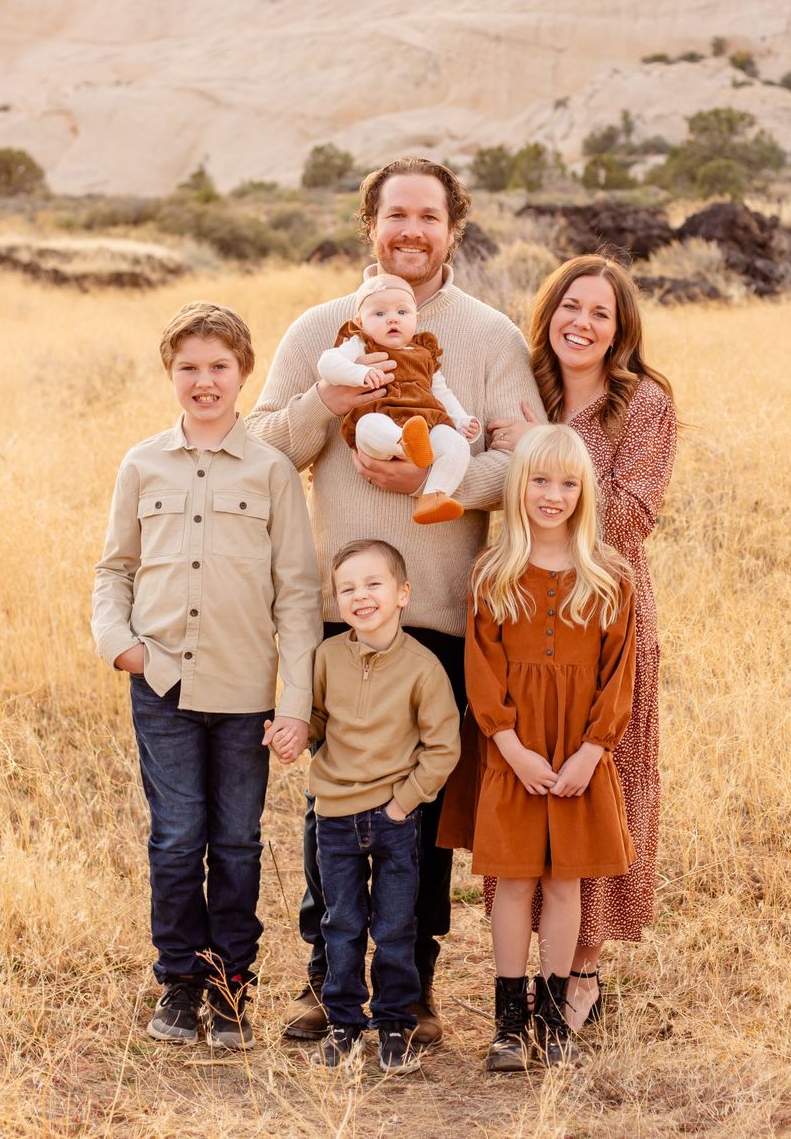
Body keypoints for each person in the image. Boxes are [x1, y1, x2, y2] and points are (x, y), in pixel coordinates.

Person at [246, 158, 543, 1045]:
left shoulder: (488, 337)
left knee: (423, 807)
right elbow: (263, 447)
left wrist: (436, 478)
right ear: (369, 225)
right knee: (332, 796)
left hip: (443, 611)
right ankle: (322, 981)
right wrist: (321, 402)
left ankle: (409, 993)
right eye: (394, 216)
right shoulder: (320, 330)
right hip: (341, 609)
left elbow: (527, 463)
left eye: (428, 217)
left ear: (455, 228)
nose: (410, 231)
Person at [91, 301, 321, 1050]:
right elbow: (114, 567)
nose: (204, 380)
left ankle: (231, 988)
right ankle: (180, 984)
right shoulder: (142, 463)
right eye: (188, 367)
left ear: (243, 373)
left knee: (236, 841)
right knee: (176, 836)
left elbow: (297, 595)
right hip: (161, 685)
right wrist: (118, 643)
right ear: (171, 374)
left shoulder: (272, 470)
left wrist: (294, 704)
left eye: (218, 366)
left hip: (246, 691)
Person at [483, 254, 677, 1029]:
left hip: (607, 613)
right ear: (549, 314)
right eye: (571, 307)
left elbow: (629, 519)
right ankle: (520, 979)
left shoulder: (644, 405)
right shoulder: (523, 386)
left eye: (600, 313)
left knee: (605, 783)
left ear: (620, 328)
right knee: (524, 784)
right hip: (523, 615)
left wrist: (551, 450)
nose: (582, 324)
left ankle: (583, 973)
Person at [459, 424, 635, 1070]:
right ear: (518, 486)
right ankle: (508, 1022)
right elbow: (483, 670)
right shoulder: (494, 574)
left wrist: (592, 752)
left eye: (567, 483)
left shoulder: (609, 577)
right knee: (514, 881)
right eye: (539, 480)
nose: (552, 495)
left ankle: (554, 1020)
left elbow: (620, 675)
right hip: (516, 753)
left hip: (580, 757)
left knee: (565, 885)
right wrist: (511, 748)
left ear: (584, 491)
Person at [269, 539, 460, 1072]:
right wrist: (295, 732)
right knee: (343, 923)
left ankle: (395, 1020)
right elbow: (321, 723)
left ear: (403, 594)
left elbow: (443, 746)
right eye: (347, 588)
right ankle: (345, 1023)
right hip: (333, 816)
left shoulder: (423, 668)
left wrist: (404, 804)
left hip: (394, 819)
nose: (361, 596)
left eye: (374, 584)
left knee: (396, 925)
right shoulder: (327, 659)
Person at [317, 273, 481, 524]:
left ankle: (434, 495)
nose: (392, 318)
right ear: (360, 322)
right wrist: (360, 373)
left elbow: (442, 392)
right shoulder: (362, 344)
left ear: (416, 318)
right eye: (379, 314)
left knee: (455, 444)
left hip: (426, 425)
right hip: (382, 420)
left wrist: (461, 421)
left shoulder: (424, 352)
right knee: (368, 426)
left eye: (402, 313)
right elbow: (328, 363)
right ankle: (404, 443)